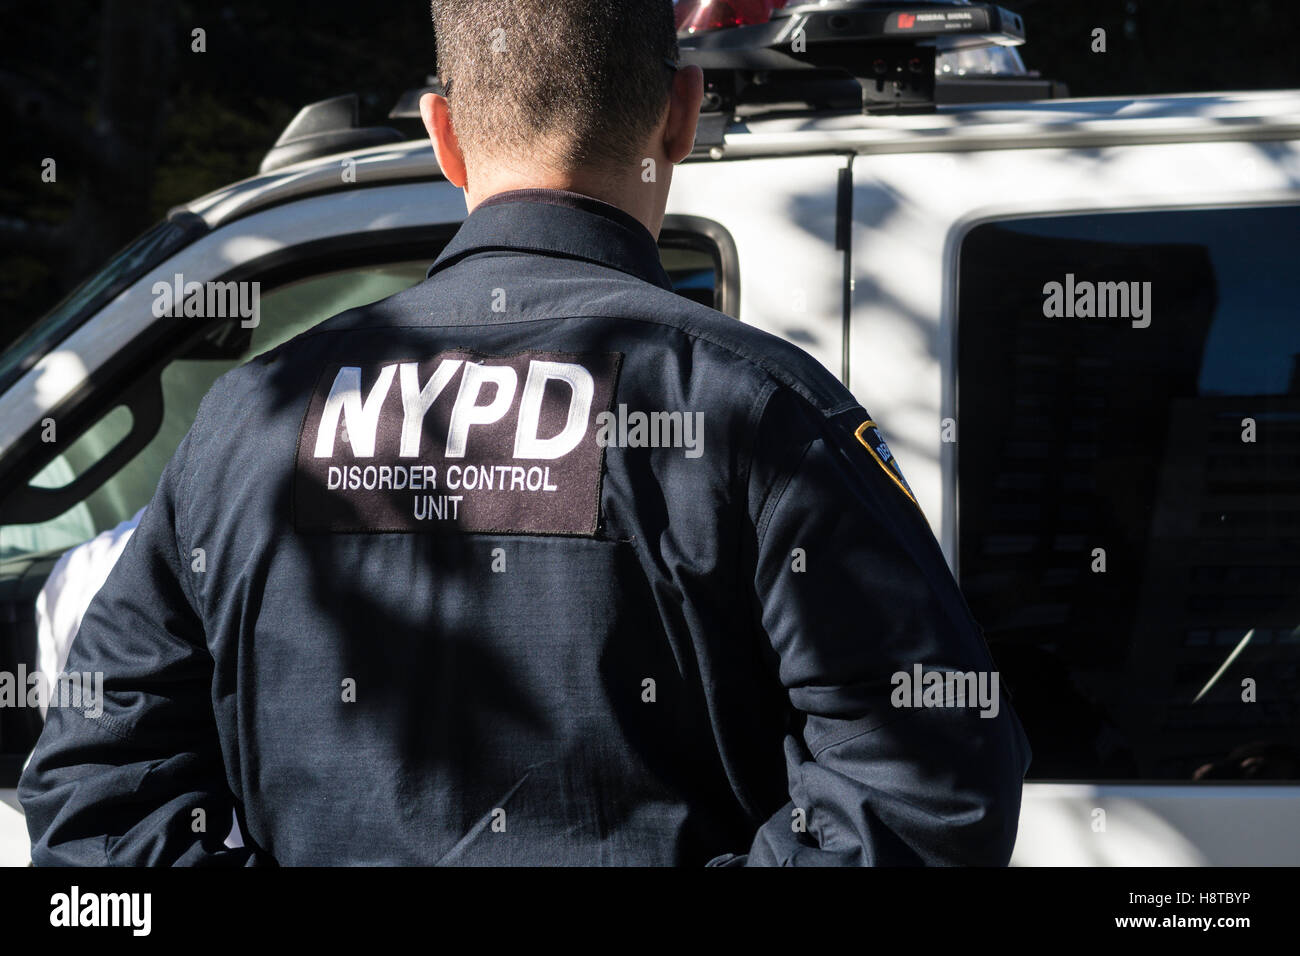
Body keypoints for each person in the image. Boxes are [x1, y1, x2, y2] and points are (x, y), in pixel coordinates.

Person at [19, 0, 1029, 865]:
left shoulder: (250, 419)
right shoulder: (760, 411)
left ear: (441, 131)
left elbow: (95, 784)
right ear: (679, 115)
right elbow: (929, 785)